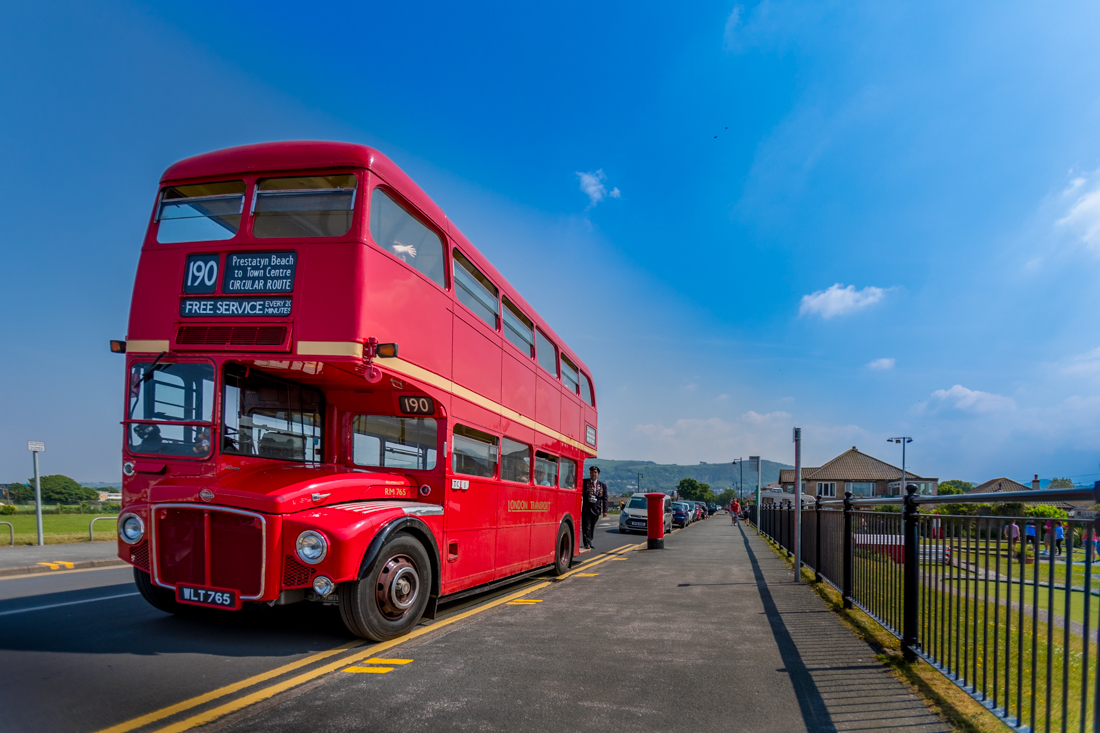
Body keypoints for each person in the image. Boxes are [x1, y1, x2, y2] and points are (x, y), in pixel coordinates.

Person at [581, 466, 608, 549]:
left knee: (592, 526)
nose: (593, 474)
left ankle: (590, 540)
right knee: (586, 526)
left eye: (595, 473)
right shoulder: (584, 482)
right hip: (587, 508)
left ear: (598, 474)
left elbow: (605, 498)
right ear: (590, 473)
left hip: (596, 509)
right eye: (592, 472)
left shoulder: (602, 485)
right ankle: (587, 543)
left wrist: (605, 511)